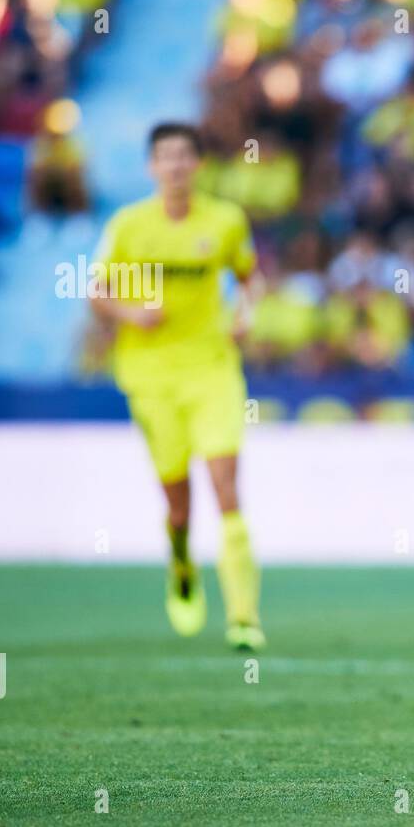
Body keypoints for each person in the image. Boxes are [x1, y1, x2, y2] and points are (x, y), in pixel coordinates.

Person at [88, 123, 265, 650]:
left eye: (185, 155)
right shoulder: (128, 226)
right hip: (150, 376)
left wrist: (246, 312)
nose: (176, 165)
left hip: (212, 369)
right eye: (166, 156)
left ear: (198, 164)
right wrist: (131, 314)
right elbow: (97, 291)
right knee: (179, 504)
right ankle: (182, 561)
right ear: (152, 167)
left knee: (227, 489)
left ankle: (243, 617)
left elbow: (250, 277)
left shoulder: (225, 220)